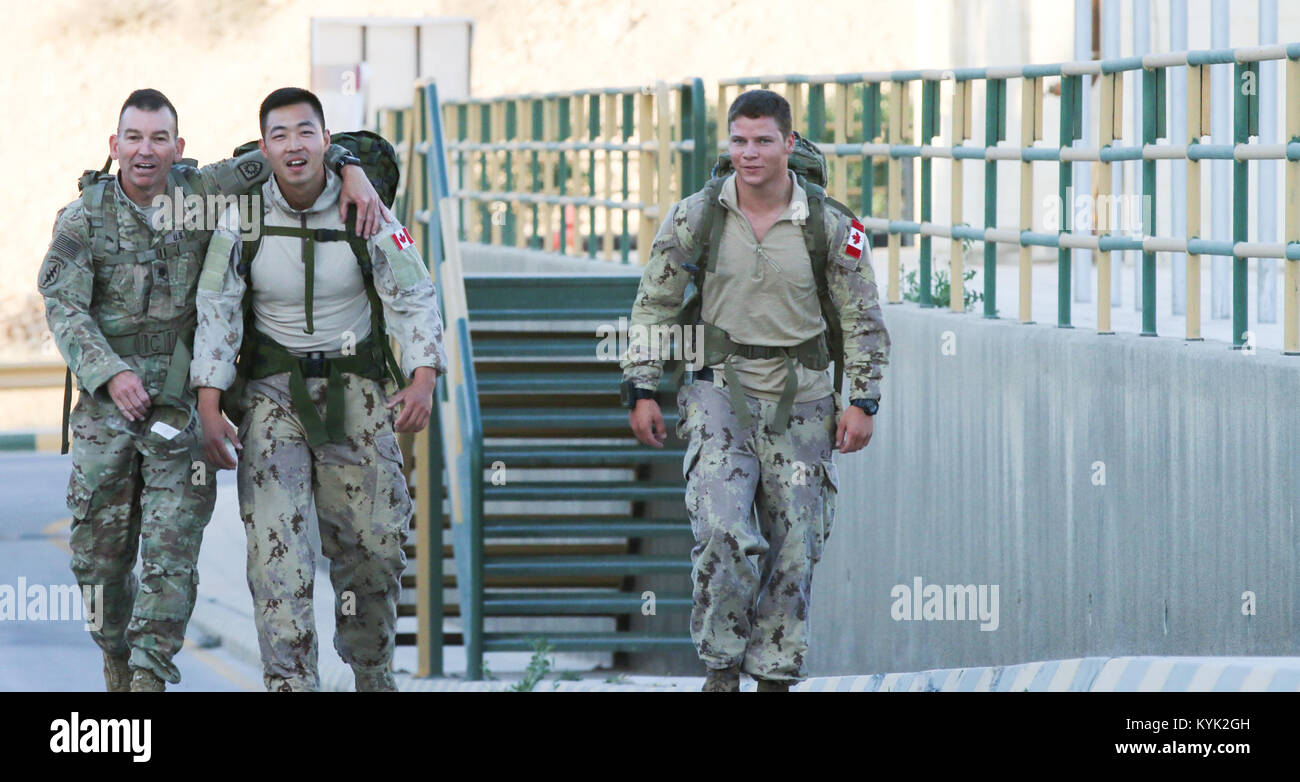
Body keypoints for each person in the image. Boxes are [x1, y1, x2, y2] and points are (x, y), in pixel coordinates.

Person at [37, 88, 387, 692]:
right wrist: (111, 372)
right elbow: (64, 307)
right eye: (134, 139)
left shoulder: (203, 193)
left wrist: (351, 169)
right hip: (106, 405)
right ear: (114, 146)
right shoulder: (83, 218)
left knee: (171, 551)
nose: (146, 152)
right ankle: (115, 653)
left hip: (180, 402)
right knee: (99, 559)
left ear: (179, 147)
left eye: (159, 139)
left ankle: (147, 681)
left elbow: (292, 148)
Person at [620, 89, 890, 692]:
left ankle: (773, 677)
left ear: (789, 145)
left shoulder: (830, 224)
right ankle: (720, 670)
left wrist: (864, 400)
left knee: (797, 544)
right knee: (722, 531)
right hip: (721, 395)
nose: (750, 153)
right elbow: (654, 305)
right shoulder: (697, 216)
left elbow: (862, 318)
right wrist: (641, 386)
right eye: (739, 140)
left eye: (764, 140)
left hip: (806, 401)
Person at [191, 87, 446, 692]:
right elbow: (217, 307)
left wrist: (424, 376)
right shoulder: (242, 217)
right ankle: (289, 683)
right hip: (272, 397)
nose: (293, 146)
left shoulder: (366, 207)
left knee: (375, 548)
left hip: (356, 390)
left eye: (306, 132)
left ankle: (372, 672)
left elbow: (412, 292)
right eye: (279, 136)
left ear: (327, 143)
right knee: (278, 560)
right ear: (263, 148)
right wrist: (208, 399)